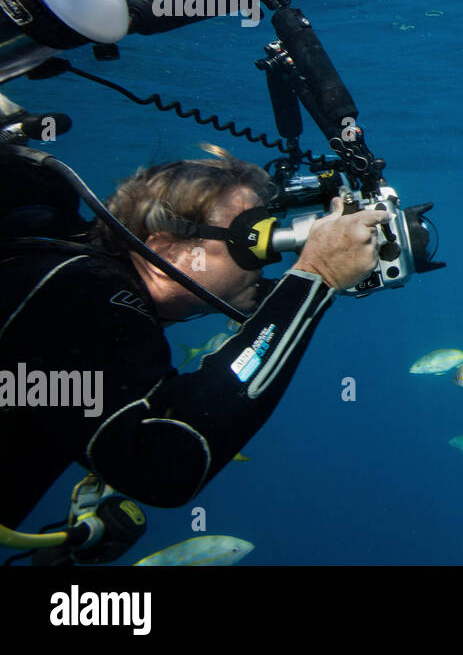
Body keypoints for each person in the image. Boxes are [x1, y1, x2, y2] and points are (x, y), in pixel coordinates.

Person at [0, 146, 389, 532]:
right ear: (167, 252)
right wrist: (316, 274)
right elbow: (164, 464)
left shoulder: (66, 283)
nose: (271, 257)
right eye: (251, 240)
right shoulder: (84, 293)